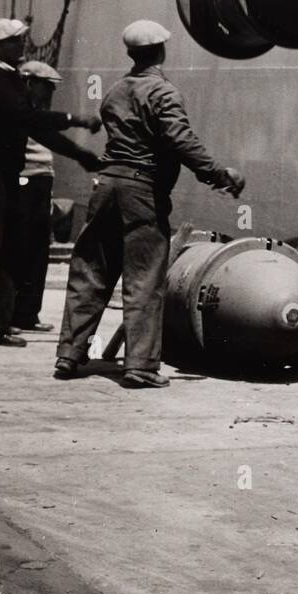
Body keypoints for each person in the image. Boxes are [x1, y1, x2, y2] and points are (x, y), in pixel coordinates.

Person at [54, 20, 245, 388]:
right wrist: (219, 174)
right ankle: (139, 365)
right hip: (141, 191)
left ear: (131, 53)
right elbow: (180, 140)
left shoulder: (113, 92)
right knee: (144, 277)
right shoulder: (163, 93)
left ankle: (70, 353)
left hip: (106, 186)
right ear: (161, 51)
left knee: (91, 270)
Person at [0, 18, 102, 354]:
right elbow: (27, 119)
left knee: (4, 249)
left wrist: (79, 154)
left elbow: (36, 130)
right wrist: (75, 120)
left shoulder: (9, 78)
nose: (22, 45)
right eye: (15, 41)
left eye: (21, 39)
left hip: (0, 175)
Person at [8, 60, 103, 333]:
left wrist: (82, 155)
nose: (49, 94)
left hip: (41, 181)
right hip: (23, 181)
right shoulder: (19, 111)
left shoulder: (37, 111)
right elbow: (47, 133)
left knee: (38, 249)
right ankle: (9, 313)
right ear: (28, 82)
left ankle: (26, 314)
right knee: (20, 246)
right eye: (45, 87)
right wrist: (79, 136)